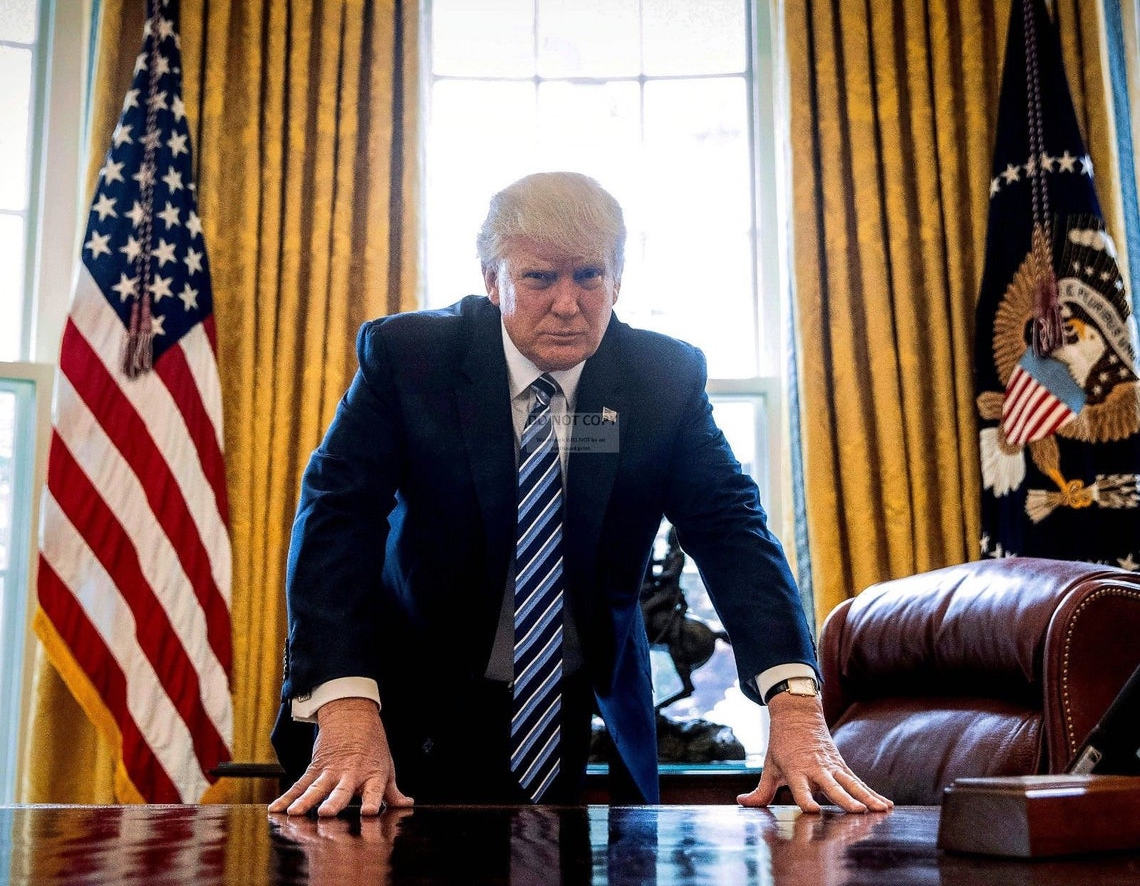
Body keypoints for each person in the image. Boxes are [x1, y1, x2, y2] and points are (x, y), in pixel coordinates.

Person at [268, 172, 892, 816]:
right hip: (400, 707)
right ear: (492, 280)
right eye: (539, 278)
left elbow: (732, 531)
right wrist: (344, 705)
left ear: (617, 280)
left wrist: (794, 703)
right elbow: (336, 519)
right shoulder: (410, 359)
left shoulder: (663, 379)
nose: (567, 303)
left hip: (566, 709)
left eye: (589, 277)